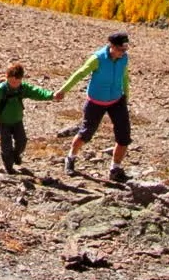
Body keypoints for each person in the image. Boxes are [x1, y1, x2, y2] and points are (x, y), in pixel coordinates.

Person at [55, 31, 131, 181]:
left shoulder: (124, 58)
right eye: (121, 49)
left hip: (117, 100)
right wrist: (63, 90)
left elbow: (125, 77)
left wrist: (126, 96)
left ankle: (115, 169)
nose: (124, 52)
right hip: (96, 102)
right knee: (86, 133)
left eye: (126, 49)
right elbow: (80, 73)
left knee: (124, 137)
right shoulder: (97, 59)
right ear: (113, 47)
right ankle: (70, 158)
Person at [0, 62, 53, 173]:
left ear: (21, 79)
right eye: (11, 81)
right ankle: (9, 167)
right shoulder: (0, 90)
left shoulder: (22, 88)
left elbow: (36, 92)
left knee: (22, 141)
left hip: (17, 121)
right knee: (6, 145)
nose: (14, 84)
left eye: (17, 81)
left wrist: (51, 95)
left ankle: (16, 155)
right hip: (3, 122)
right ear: (7, 77)